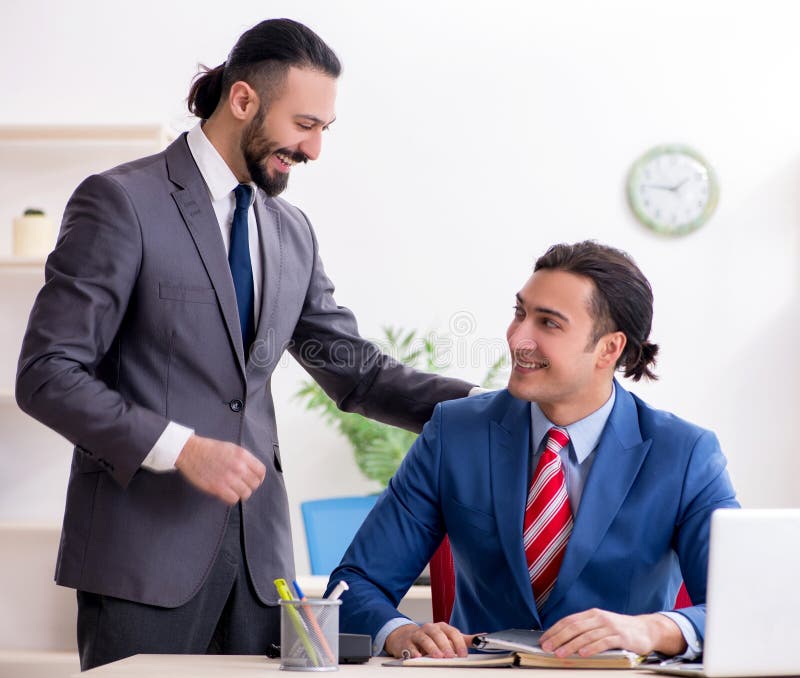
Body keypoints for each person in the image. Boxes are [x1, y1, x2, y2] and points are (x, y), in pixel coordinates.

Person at [15, 19, 474, 670]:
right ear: (242, 100)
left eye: (324, 130)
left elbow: (356, 372)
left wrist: (487, 404)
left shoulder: (291, 231)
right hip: (143, 562)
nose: (314, 149)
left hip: (263, 570)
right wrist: (180, 448)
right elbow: (48, 374)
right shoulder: (121, 201)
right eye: (305, 124)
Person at [329, 241, 739, 660]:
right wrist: (397, 632)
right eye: (520, 313)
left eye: (549, 324)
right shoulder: (455, 433)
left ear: (609, 348)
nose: (518, 338)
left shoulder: (685, 454)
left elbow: (742, 608)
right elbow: (354, 584)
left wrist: (652, 630)